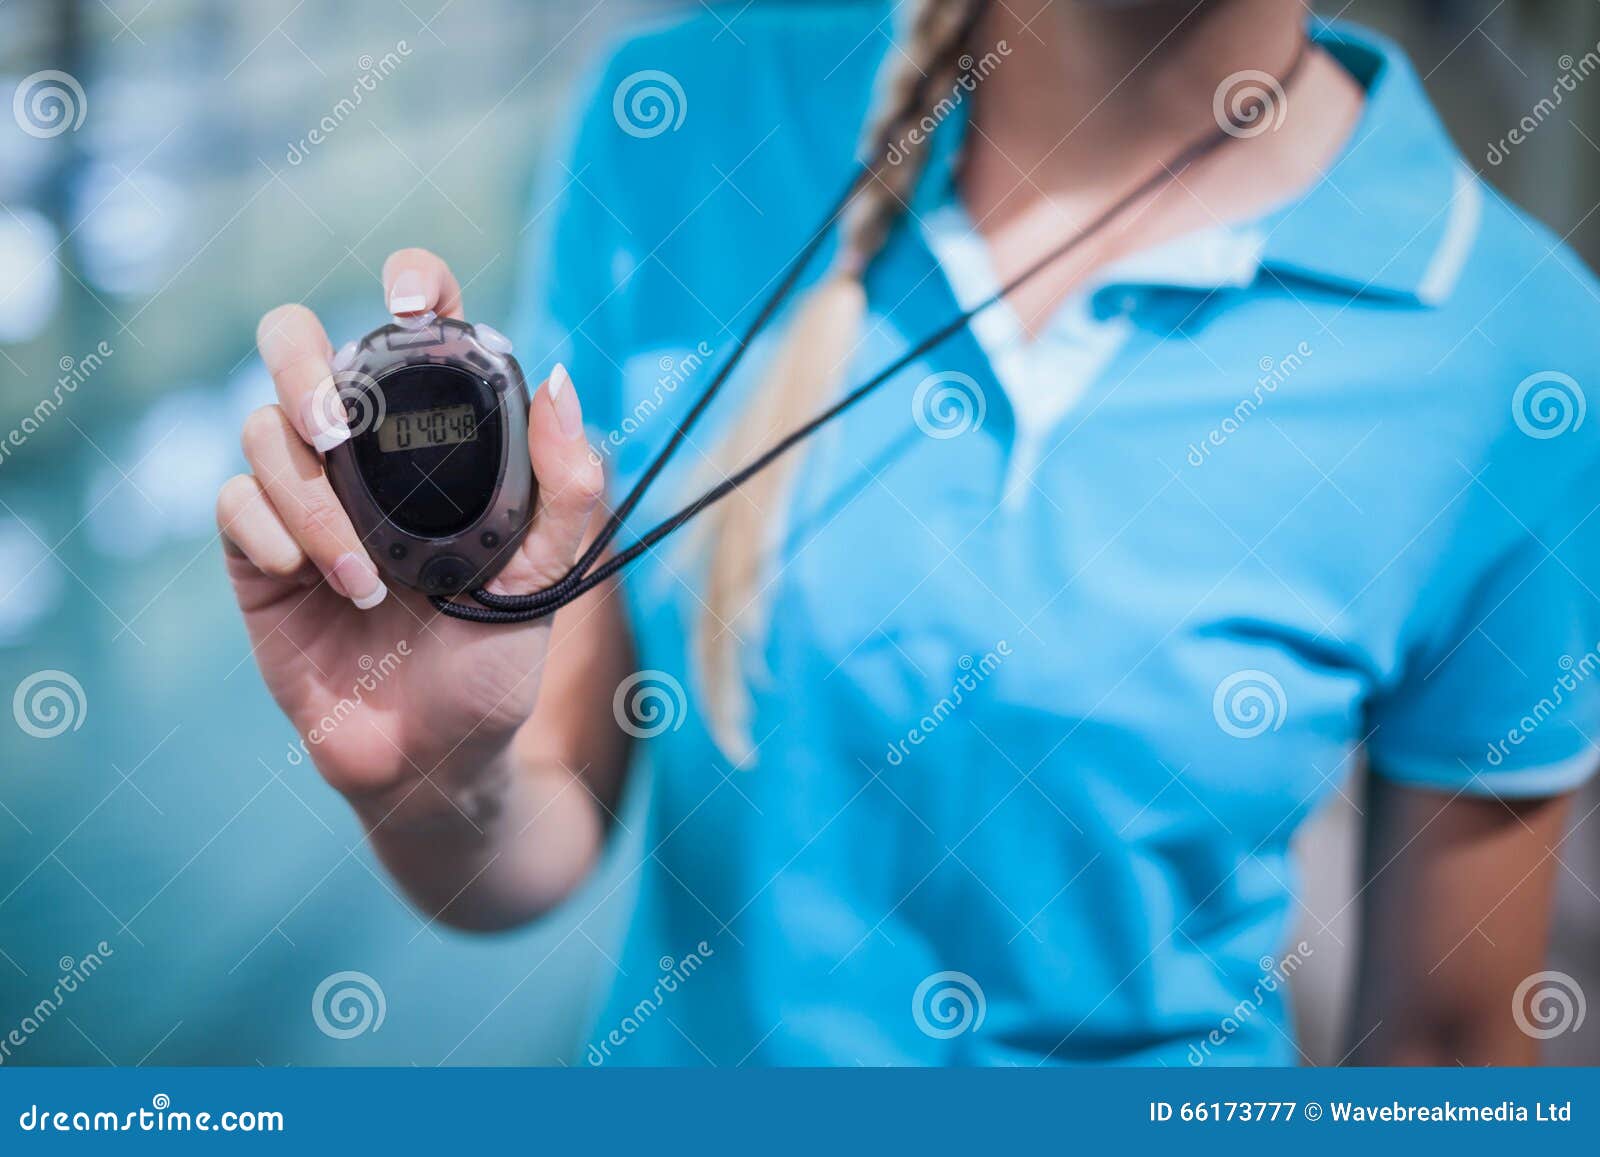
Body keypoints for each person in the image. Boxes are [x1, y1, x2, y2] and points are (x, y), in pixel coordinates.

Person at [217, 0, 1600, 1065]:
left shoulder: (1514, 352)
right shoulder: (675, 126)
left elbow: (1448, 1052)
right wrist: (433, 774)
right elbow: (550, 808)